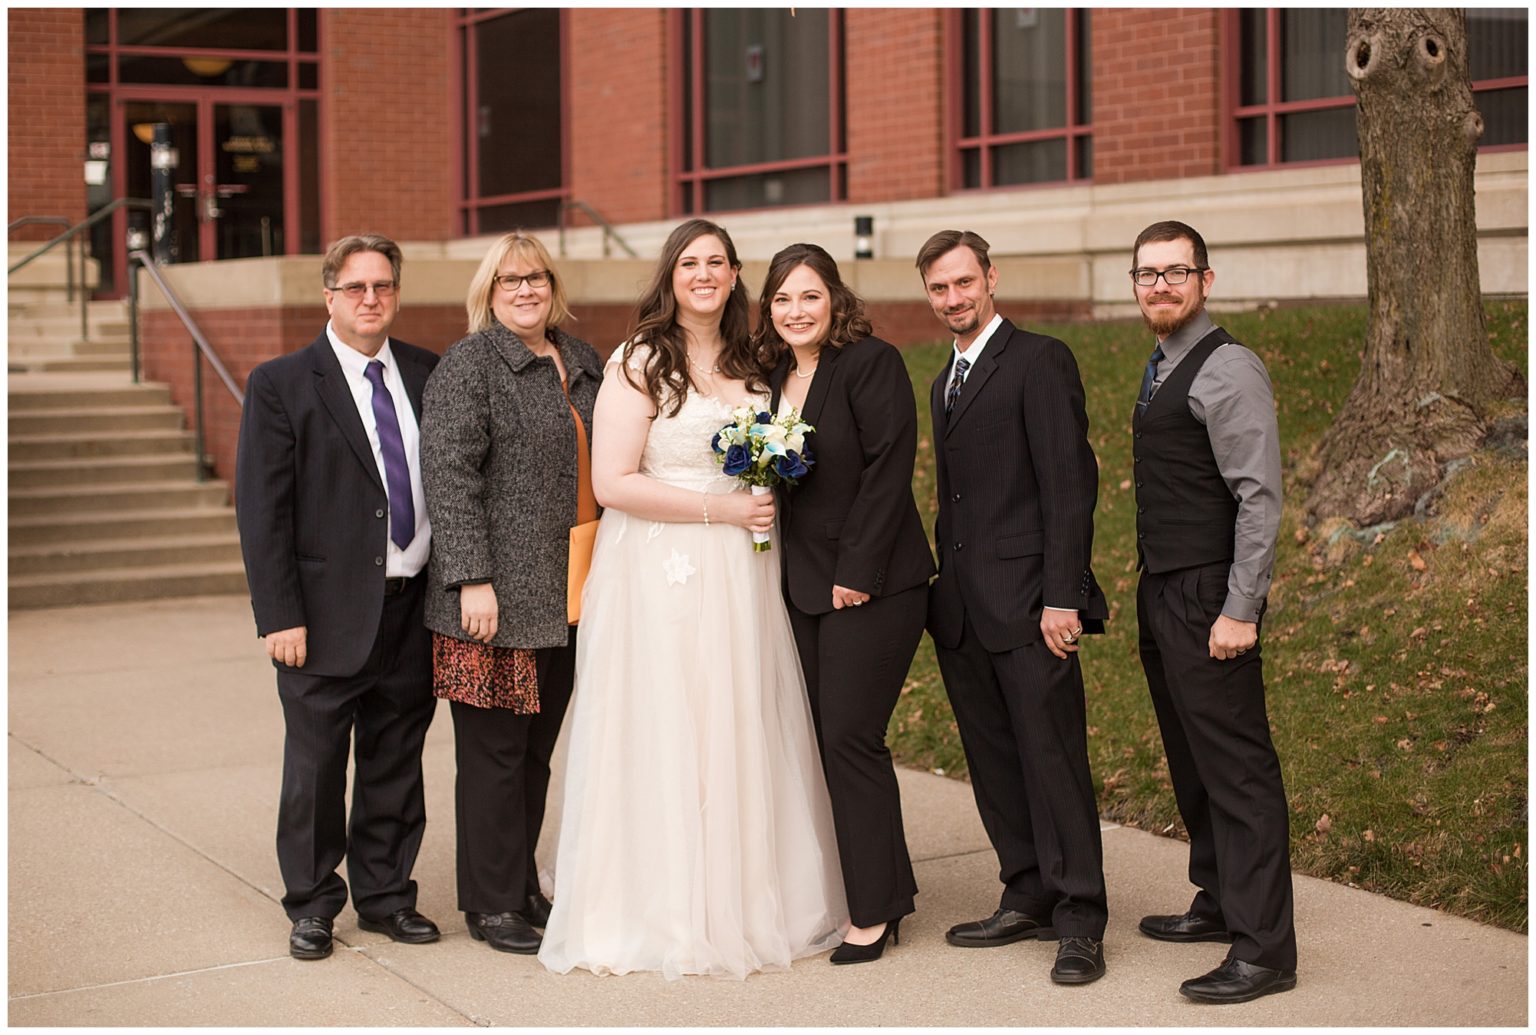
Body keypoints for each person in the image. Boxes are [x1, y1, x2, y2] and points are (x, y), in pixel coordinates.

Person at [538, 219, 848, 979]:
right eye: (689, 262)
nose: (703, 273)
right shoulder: (640, 359)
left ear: (736, 273)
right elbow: (613, 483)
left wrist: (760, 493)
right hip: (658, 566)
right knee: (667, 717)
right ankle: (659, 904)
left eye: (716, 262)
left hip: (742, 567)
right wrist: (723, 510)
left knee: (734, 715)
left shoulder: (755, 361)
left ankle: (744, 898)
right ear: (670, 275)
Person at [236, 234, 441, 960]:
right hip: (321, 617)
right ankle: (315, 902)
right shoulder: (283, 383)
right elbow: (263, 511)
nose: (370, 299)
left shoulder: (426, 371)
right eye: (355, 287)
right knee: (317, 768)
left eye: (382, 285)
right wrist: (279, 613)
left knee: (395, 759)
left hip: (412, 608)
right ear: (330, 295)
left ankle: (386, 896)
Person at [918, 229, 1110, 985]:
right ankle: (1026, 889)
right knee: (995, 761)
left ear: (991, 278)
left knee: (1053, 760)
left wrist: (1063, 595)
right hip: (964, 610)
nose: (954, 298)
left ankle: (1080, 918)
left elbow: (1071, 483)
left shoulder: (1039, 360)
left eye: (964, 282)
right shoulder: (943, 381)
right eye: (939, 288)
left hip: (1033, 605)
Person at [1127, 220, 1296, 1004]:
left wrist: (1241, 606)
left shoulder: (1228, 368)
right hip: (1164, 590)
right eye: (1147, 274)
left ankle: (1264, 949)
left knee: (1237, 770)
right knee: (1193, 762)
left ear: (1206, 279)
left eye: (1175, 272)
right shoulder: (1160, 367)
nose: (1160, 285)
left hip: (1210, 595)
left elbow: (1259, 496)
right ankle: (1221, 897)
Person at [419, 232, 600, 955]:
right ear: (488, 292)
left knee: (533, 753)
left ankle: (521, 883)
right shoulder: (471, 365)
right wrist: (472, 578)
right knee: (493, 754)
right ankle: (491, 902)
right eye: (509, 280)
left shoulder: (582, 360)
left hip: (570, 594)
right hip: (492, 600)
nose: (525, 290)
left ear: (555, 285)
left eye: (536, 277)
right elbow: (449, 474)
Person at [759, 243, 935, 964]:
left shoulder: (871, 363)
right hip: (800, 586)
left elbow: (891, 468)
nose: (796, 311)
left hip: (875, 584)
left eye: (808, 296)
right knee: (825, 740)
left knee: (850, 738)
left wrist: (857, 569)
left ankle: (876, 909)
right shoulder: (772, 377)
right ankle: (874, 885)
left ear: (834, 298)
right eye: (782, 300)